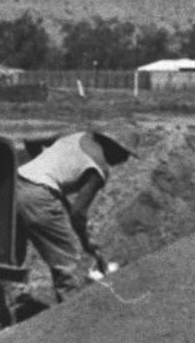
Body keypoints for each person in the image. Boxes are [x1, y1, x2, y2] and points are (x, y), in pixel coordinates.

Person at [15, 130, 136, 303]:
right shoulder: (98, 169)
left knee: (12, 253)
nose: (125, 160)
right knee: (68, 261)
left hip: (14, 184)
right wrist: (86, 242)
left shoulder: (74, 134)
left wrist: (42, 167)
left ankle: (12, 305)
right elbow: (77, 214)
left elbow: (30, 140)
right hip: (38, 197)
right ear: (112, 146)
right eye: (125, 153)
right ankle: (70, 318)